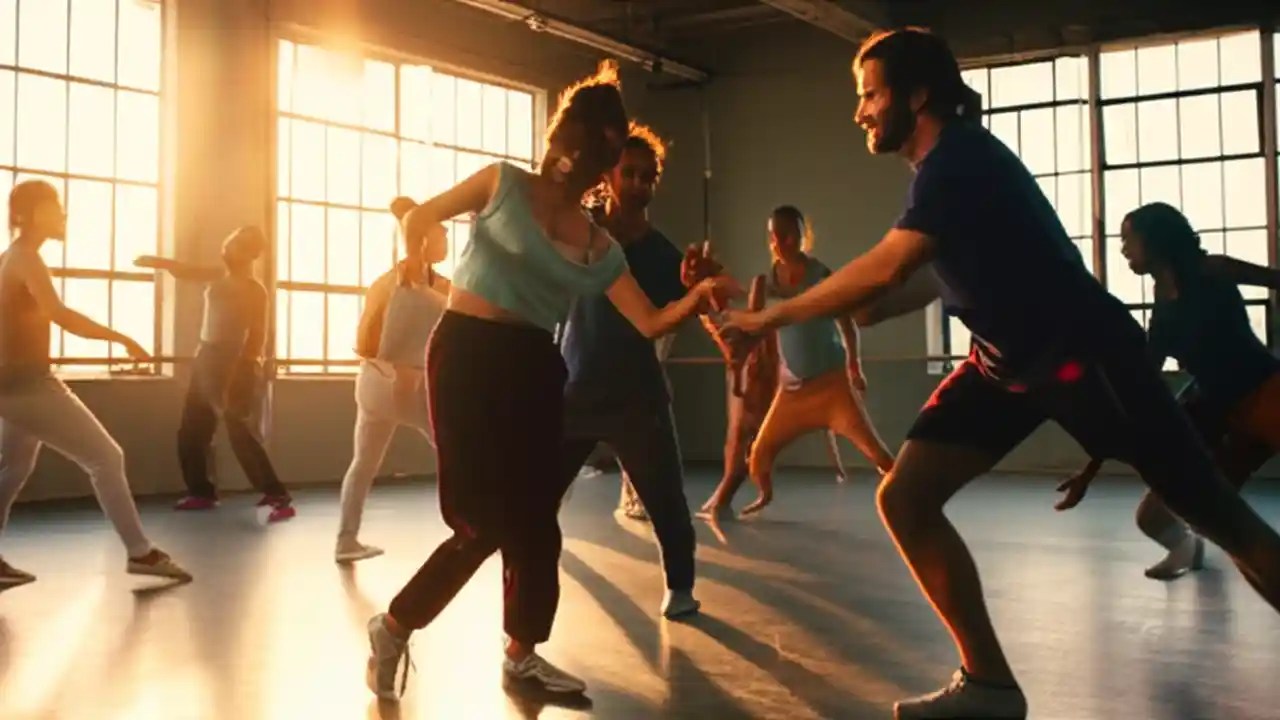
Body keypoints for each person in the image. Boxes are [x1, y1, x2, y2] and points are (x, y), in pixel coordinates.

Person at [723, 28, 1280, 720]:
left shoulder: (959, 159)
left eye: (870, 95)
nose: (859, 111)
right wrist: (856, 303)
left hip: (1086, 358)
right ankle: (988, 684)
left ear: (916, 96)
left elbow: (892, 265)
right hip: (1004, 365)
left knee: (1226, 522)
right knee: (905, 498)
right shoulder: (939, 173)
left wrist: (767, 318)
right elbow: (920, 277)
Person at [363, 61, 739, 701]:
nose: (595, 164)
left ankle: (522, 654)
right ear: (568, 140)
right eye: (597, 149)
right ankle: (395, 625)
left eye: (607, 155)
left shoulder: (598, 245)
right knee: (482, 522)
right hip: (466, 355)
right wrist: (415, 264)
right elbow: (421, 216)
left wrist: (697, 297)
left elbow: (649, 321)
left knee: (537, 520)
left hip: (535, 365)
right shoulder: (501, 183)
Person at [1055, 201, 1280, 580]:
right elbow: (1136, 391)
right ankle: (1188, 549)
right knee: (1153, 516)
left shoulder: (1213, 270)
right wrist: (1089, 471)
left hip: (1265, 394)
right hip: (1217, 413)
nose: (1122, 249)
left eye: (1128, 239)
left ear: (1155, 240)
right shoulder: (1162, 311)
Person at [0, 180, 190, 588]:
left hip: (11, 387)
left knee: (13, 469)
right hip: (28, 386)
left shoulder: (11, 257)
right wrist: (121, 339)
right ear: (27, 214)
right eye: (53, 206)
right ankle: (141, 552)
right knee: (106, 457)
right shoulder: (25, 258)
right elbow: (61, 314)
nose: (63, 214)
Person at [557, 121, 699, 617]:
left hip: (638, 399)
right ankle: (527, 592)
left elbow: (685, 312)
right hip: (574, 391)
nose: (639, 184)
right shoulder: (581, 232)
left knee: (667, 503)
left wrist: (699, 288)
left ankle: (680, 588)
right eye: (630, 173)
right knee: (537, 500)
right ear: (609, 177)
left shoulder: (665, 256)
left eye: (648, 176)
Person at [699, 206, 894, 518]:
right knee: (759, 457)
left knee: (878, 453)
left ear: (804, 237)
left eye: (790, 235)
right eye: (775, 236)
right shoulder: (764, 284)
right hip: (792, 393)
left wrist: (854, 366)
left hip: (833, 387)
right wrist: (713, 306)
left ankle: (908, 493)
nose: (782, 242)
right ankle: (763, 495)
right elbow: (750, 330)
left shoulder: (822, 275)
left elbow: (847, 323)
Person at [136, 228, 295, 523]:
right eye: (227, 243)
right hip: (207, 358)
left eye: (234, 245)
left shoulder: (253, 289)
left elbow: (257, 335)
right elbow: (187, 270)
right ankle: (201, 492)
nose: (226, 249)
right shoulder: (219, 275)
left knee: (239, 430)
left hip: (235, 363)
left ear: (250, 253)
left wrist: (241, 370)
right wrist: (158, 262)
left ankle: (277, 495)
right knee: (192, 430)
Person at [334, 197, 449, 563]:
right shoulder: (429, 291)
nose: (447, 238)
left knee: (363, 463)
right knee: (455, 451)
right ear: (424, 238)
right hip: (405, 383)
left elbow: (367, 339)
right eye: (442, 233)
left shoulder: (384, 283)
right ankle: (489, 526)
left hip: (371, 381)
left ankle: (346, 540)